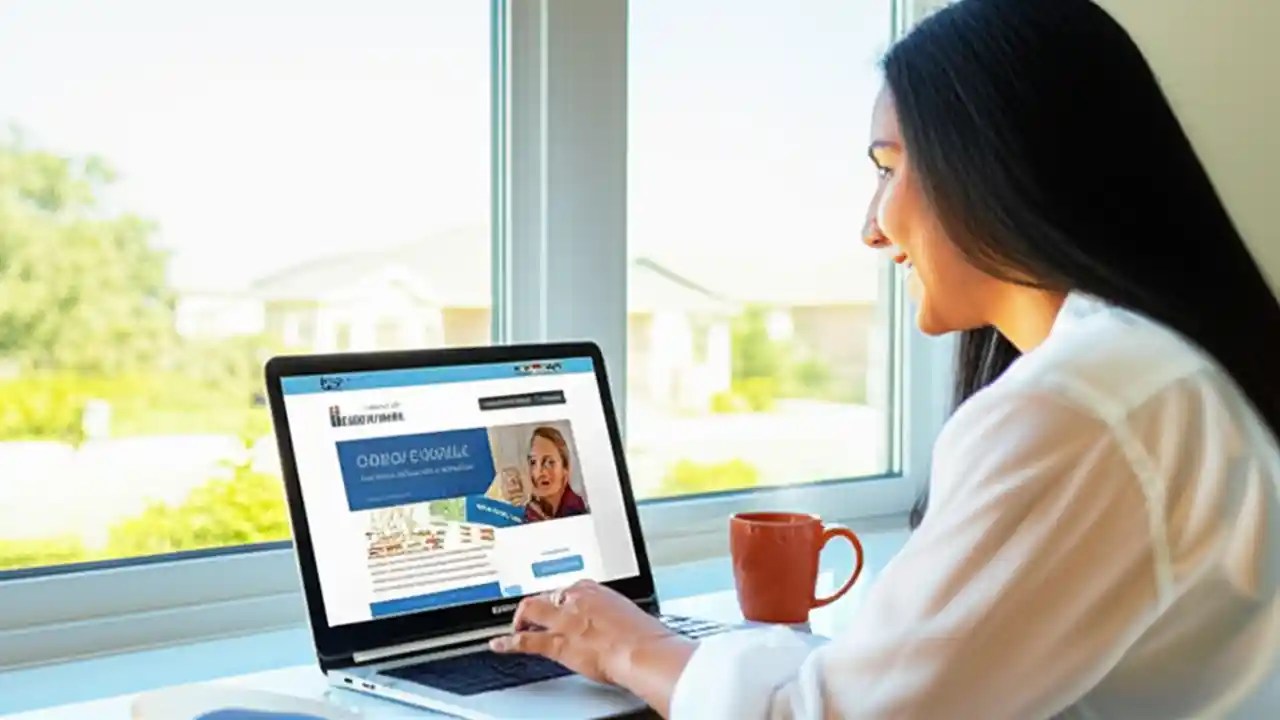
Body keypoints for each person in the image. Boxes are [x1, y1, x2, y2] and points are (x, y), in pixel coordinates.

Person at [489, 0, 1280, 717]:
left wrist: (632, 649)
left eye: (889, 167)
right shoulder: (1150, 371)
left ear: (993, 159)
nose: (873, 227)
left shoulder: (1084, 401)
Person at [523, 426, 587, 522]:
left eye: (549, 462)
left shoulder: (579, 515)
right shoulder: (528, 514)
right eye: (533, 462)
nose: (539, 472)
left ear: (565, 468)